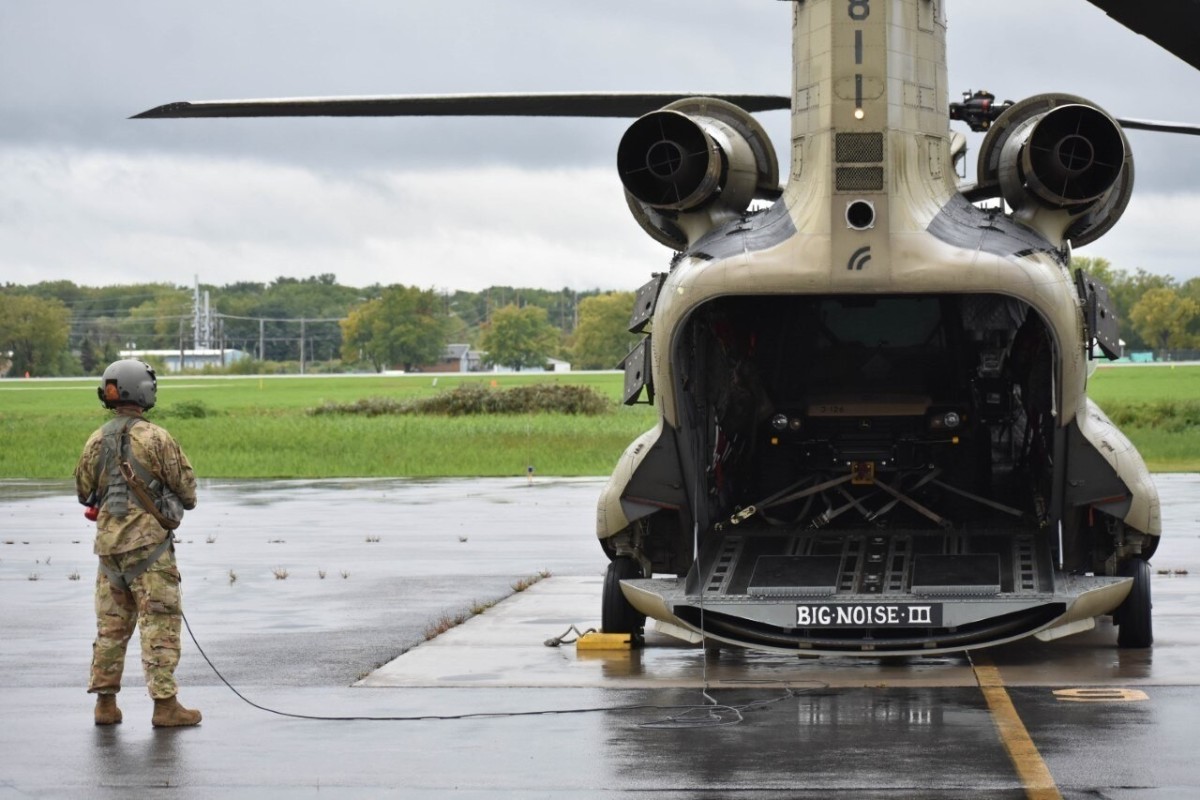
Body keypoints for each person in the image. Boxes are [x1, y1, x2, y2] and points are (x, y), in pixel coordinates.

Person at [74, 359, 201, 728]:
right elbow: (188, 492)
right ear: (143, 392)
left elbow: (84, 492)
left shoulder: (96, 439)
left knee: (110, 628)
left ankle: (105, 706)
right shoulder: (158, 438)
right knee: (159, 624)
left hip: (109, 554)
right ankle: (165, 707)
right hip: (151, 552)